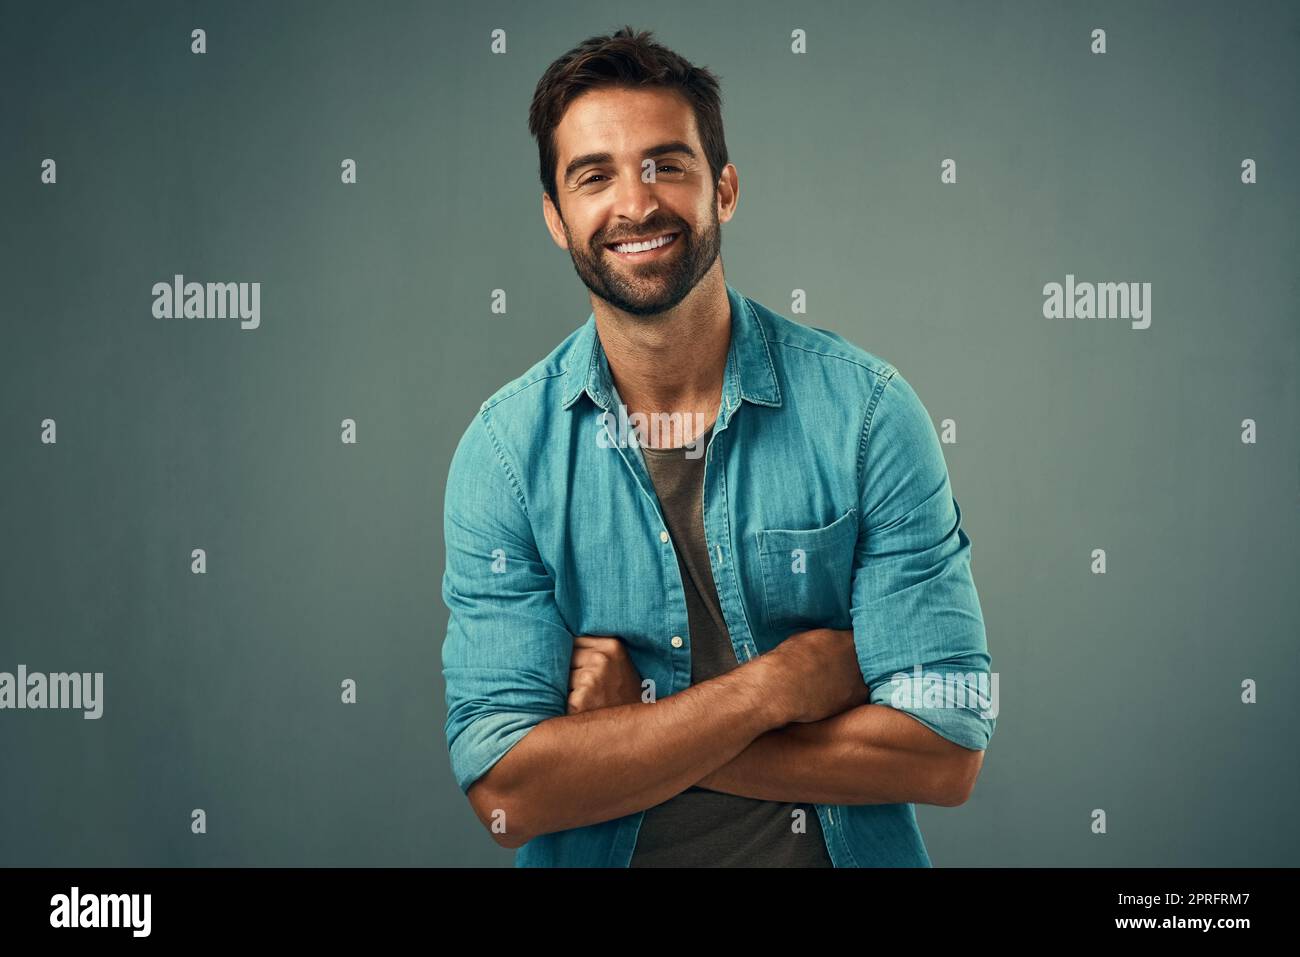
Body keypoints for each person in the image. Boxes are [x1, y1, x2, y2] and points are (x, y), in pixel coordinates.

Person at [440, 25, 996, 866]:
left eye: (669, 163)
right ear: (556, 218)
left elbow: (946, 749)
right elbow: (509, 793)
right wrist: (776, 688)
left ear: (725, 188)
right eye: (595, 176)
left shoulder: (869, 414)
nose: (637, 203)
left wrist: (627, 737)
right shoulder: (505, 455)